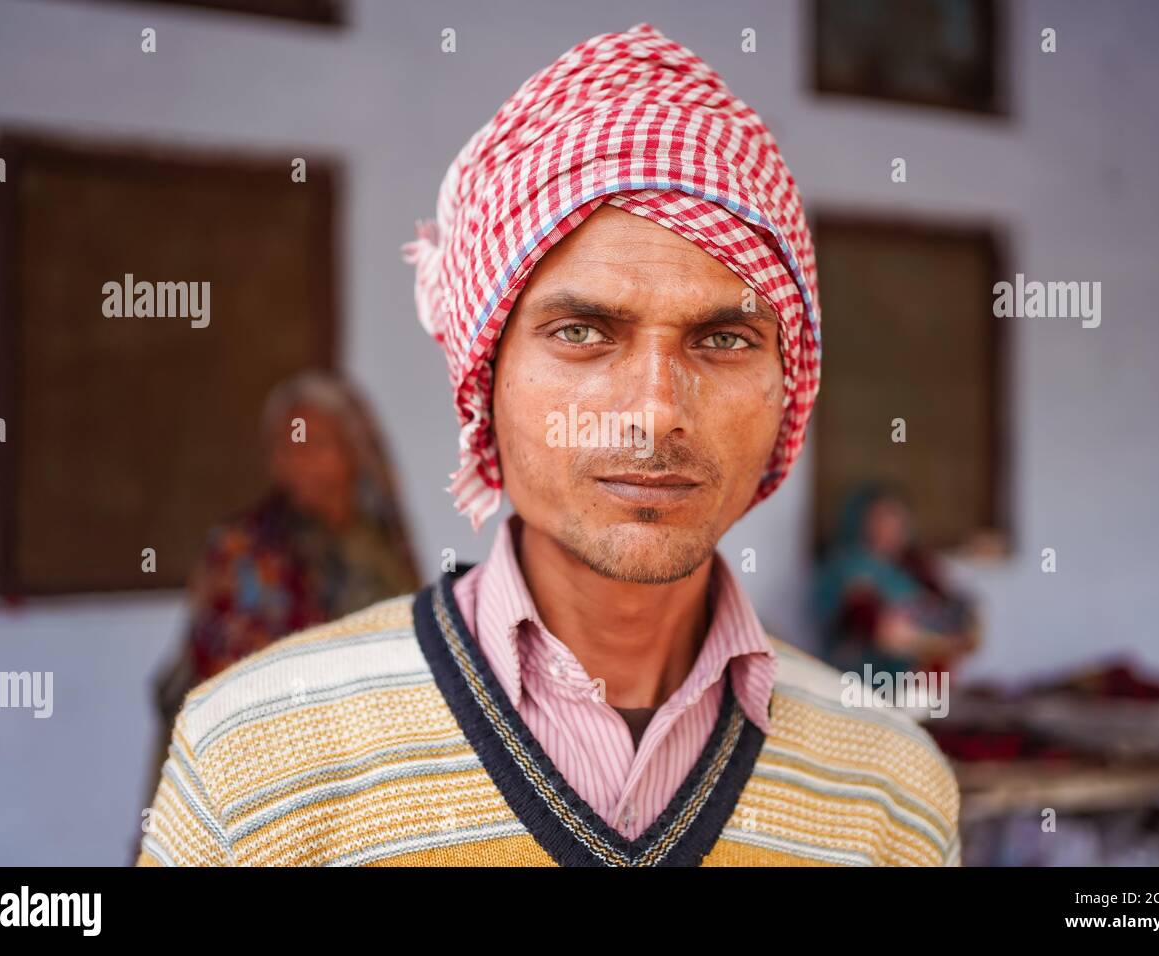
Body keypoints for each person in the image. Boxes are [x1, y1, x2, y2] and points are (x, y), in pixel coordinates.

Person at [138, 23, 960, 867]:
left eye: (722, 341)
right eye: (581, 332)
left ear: (789, 387)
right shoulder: (253, 764)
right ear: (484, 379)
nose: (654, 414)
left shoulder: (891, 793)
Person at [138, 370, 419, 838]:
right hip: (268, 787)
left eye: (316, 444)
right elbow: (226, 679)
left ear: (353, 454)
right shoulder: (245, 549)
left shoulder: (381, 550)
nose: (298, 462)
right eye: (286, 447)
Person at [813, 483, 980, 677]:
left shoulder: (915, 566)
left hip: (919, 682)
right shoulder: (849, 567)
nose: (890, 525)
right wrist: (930, 641)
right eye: (880, 518)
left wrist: (960, 629)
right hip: (863, 680)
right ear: (861, 521)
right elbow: (875, 627)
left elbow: (948, 608)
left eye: (896, 517)